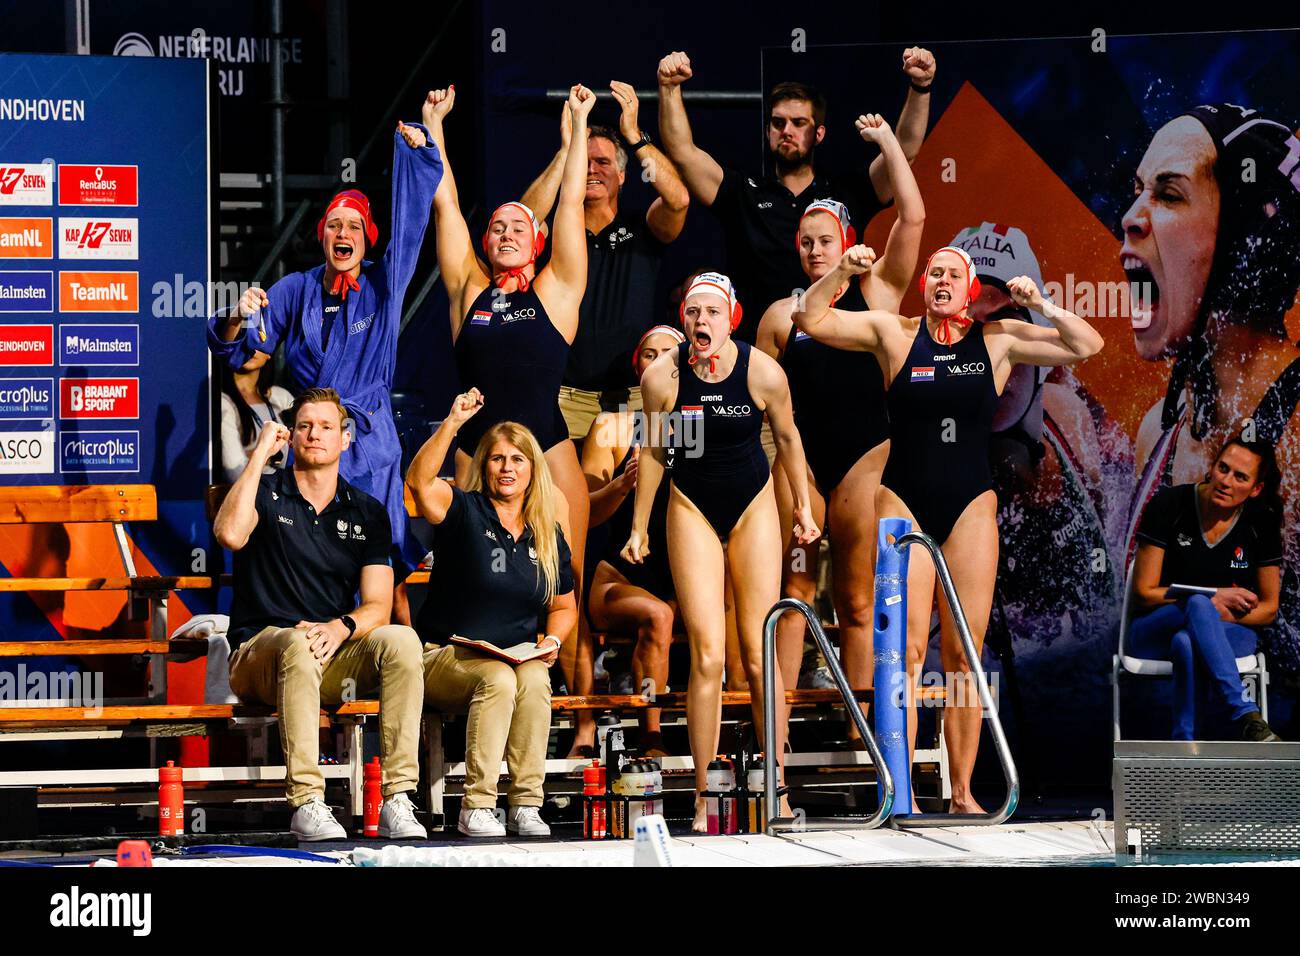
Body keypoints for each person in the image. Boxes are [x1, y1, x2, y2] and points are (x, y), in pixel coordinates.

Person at [793, 244, 1104, 812]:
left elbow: (1088, 346)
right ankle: (899, 789)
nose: (940, 280)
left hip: (969, 508)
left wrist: (1044, 306)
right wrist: (841, 272)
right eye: (933, 272)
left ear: (968, 292)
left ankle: (962, 792)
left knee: (965, 653)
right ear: (924, 285)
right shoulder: (894, 333)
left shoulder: (999, 339)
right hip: (903, 500)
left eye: (951, 274)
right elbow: (808, 320)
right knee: (905, 652)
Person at [208, 96, 443, 583]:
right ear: (322, 236)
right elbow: (240, 353)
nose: (344, 232)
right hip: (315, 439)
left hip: (370, 441)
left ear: (367, 237)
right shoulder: (296, 289)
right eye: (334, 224)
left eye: (354, 225)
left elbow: (411, 228)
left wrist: (418, 153)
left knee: (384, 570)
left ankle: (396, 653)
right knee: (320, 564)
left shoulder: (385, 283)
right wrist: (234, 315)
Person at [428, 84, 600, 751]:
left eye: (516, 227)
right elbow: (446, 204)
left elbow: (569, 210)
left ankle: (569, 719)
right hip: (476, 451)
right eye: (496, 225)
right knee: (475, 582)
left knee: (561, 589)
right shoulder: (467, 290)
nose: (504, 232)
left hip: (549, 451)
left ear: (535, 245)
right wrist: (438, 131)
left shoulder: (557, 290)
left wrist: (579, 129)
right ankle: (475, 711)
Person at [624, 271, 820, 831]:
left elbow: (787, 440)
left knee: (756, 656)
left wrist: (803, 508)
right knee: (708, 655)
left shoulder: (762, 371)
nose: (700, 321)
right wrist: (639, 526)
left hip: (754, 504)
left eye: (711, 313)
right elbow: (656, 450)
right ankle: (706, 791)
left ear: (730, 319)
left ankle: (777, 786)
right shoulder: (663, 376)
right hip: (690, 505)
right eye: (692, 314)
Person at [755, 113, 923, 737]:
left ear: (848, 240)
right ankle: (776, 750)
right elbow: (760, 406)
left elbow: (913, 217)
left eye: (826, 240)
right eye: (806, 242)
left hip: (862, 458)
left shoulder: (877, 294)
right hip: (803, 465)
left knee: (857, 601)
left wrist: (886, 144)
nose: (815, 250)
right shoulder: (782, 315)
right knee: (793, 598)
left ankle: (863, 747)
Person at [1121, 102, 1300, 678]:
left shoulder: (1296, 432)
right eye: (1139, 190)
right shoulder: (1160, 430)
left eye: (1168, 195)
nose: (1130, 216)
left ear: (1246, 239)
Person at [213, 387, 426, 841]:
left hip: (328, 652)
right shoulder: (267, 491)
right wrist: (257, 459)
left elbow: (377, 604)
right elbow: (230, 535)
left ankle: (397, 798)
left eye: (327, 427)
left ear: (345, 440)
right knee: (294, 641)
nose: (315, 435)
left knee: (403, 640)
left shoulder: (366, 511)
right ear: (290, 436)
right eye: (305, 426)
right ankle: (307, 801)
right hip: (259, 655)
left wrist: (341, 625)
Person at [657, 46, 935, 334]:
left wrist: (921, 86)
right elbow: (682, 152)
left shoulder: (847, 191)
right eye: (778, 123)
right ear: (767, 131)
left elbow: (904, 150)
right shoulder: (742, 193)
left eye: (798, 123)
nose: (786, 130)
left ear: (819, 133)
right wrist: (669, 88)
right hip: (763, 344)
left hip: (836, 338)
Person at [406, 392, 578, 838]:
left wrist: (552, 641)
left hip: (516, 656)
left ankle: (525, 804)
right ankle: (477, 804)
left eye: (518, 459)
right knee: (497, 678)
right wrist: (452, 421)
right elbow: (420, 483)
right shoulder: (465, 510)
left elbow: (564, 606)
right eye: (498, 459)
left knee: (537, 678)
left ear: (532, 469)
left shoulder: (547, 532)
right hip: (445, 655)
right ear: (485, 466)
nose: (507, 468)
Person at [522, 81, 690, 440]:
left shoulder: (644, 227)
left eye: (603, 162)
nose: (592, 170)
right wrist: (568, 150)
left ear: (623, 174)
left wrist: (633, 135)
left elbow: (678, 200)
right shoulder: (556, 232)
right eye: (586, 162)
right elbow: (524, 219)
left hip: (634, 397)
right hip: (563, 396)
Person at [1131, 436, 1283, 741]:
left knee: (1188, 642)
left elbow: (1268, 610)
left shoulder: (1261, 523)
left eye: (1240, 477)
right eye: (1223, 468)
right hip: (1156, 627)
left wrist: (1213, 614)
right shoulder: (1169, 505)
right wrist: (1213, 597)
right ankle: (1243, 712)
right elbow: (1144, 593)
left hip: (1230, 631)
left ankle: (1185, 747)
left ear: (1256, 489)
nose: (1226, 481)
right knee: (1199, 603)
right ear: (1211, 468)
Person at [583, 325, 685, 756]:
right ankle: (651, 734)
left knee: (739, 599)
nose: (659, 362)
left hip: (683, 575)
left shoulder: (700, 423)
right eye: (649, 354)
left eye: (669, 354)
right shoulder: (613, 426)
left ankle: (748, 733)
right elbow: (582, 514)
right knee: (657, 615)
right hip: (617, 577)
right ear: (637, 366)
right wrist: (621, 487)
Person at [218, 349, 294, 483]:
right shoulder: (223, 402)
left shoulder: (282, 397)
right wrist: (271, 457)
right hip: (255, 494)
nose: (250, 348)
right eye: (242, 341)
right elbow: (235, 472)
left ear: (270, 352)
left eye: (257, 342)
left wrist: (255, 457)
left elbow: (304, 451)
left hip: (291, 492)